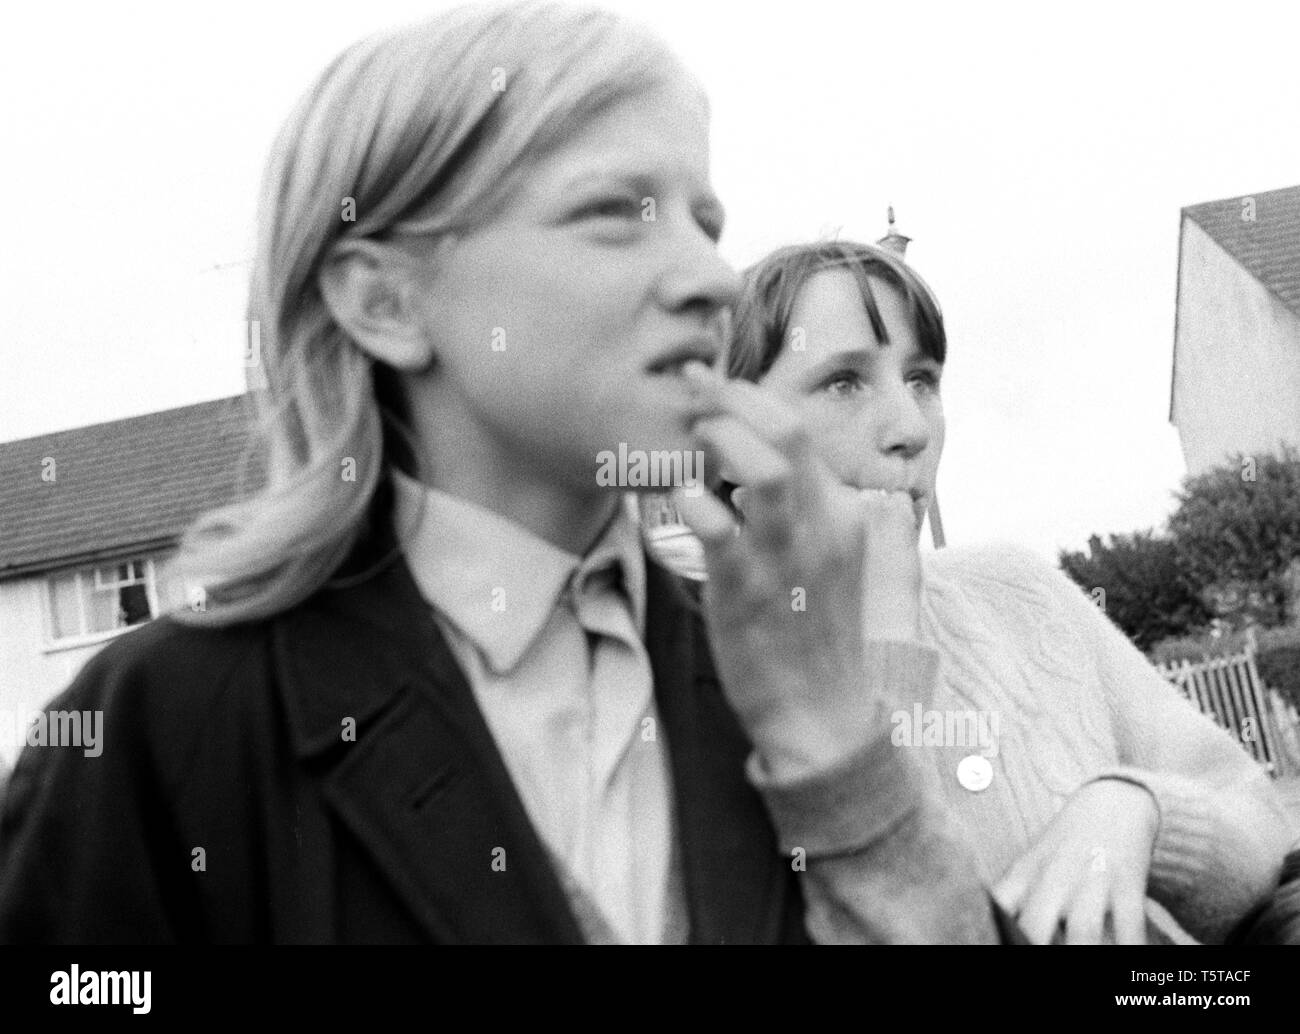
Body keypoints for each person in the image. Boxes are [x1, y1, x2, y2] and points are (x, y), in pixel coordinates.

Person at [0, 4, 1010, 944]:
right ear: (387, 300)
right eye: (619, 212)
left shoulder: (764, 674)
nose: (712, 277)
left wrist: (841, 760)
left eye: (705, 222)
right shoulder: (157, 732)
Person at [715, 238, 1296, 944]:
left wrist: (1137, 811)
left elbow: (1256, 814)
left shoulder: (1018, 594)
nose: (908, 429)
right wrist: (885, 632)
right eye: (844, 381)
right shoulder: (697, 683)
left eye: (922, 379)